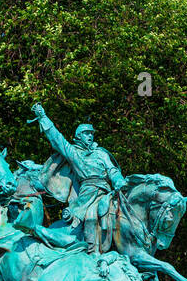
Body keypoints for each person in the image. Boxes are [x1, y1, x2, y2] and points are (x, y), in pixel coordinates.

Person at [29, 104, 128, 254]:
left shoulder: (101, 153)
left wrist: (119, 180)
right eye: (86, 133)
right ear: (78, 136)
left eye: (91, 134)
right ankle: (92, 251)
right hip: (88, 193)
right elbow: (58, 139)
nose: (90, 136)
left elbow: (112, 170)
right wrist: (43, 117)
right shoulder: (75, 153)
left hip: (108, 191)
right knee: (90, 216)